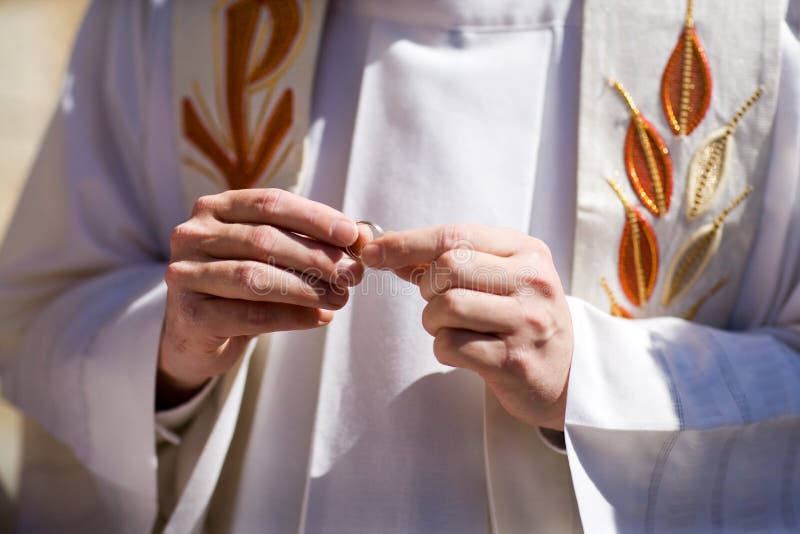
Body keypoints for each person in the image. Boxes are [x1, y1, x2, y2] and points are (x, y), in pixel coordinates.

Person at [1, 0, 799, 531]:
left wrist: (589, 378)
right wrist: (167, 352)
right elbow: (36, 311)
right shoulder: (165, 15)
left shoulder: (770, 25)